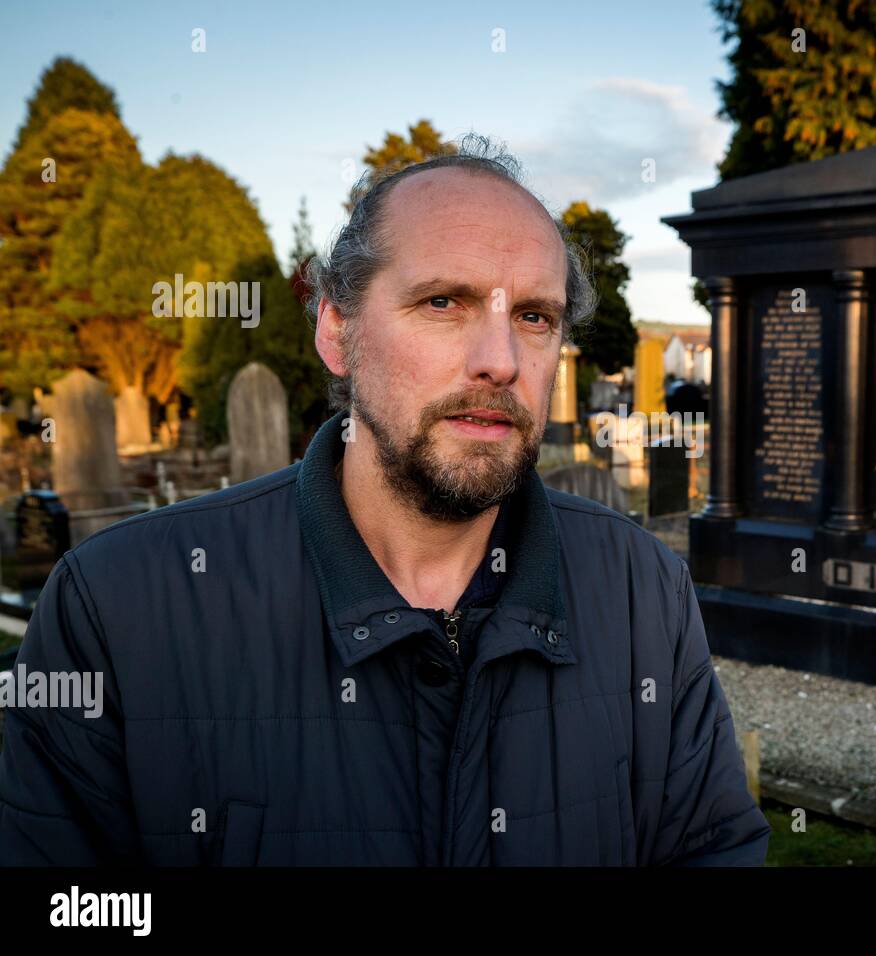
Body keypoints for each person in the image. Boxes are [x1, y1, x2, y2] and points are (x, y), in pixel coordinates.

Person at [0, 134, 770, 866]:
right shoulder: (121, 605)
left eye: (534, 316)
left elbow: (713, 849)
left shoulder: (641, 587)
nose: (499, 361)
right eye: (443, 303)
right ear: (337, 330)